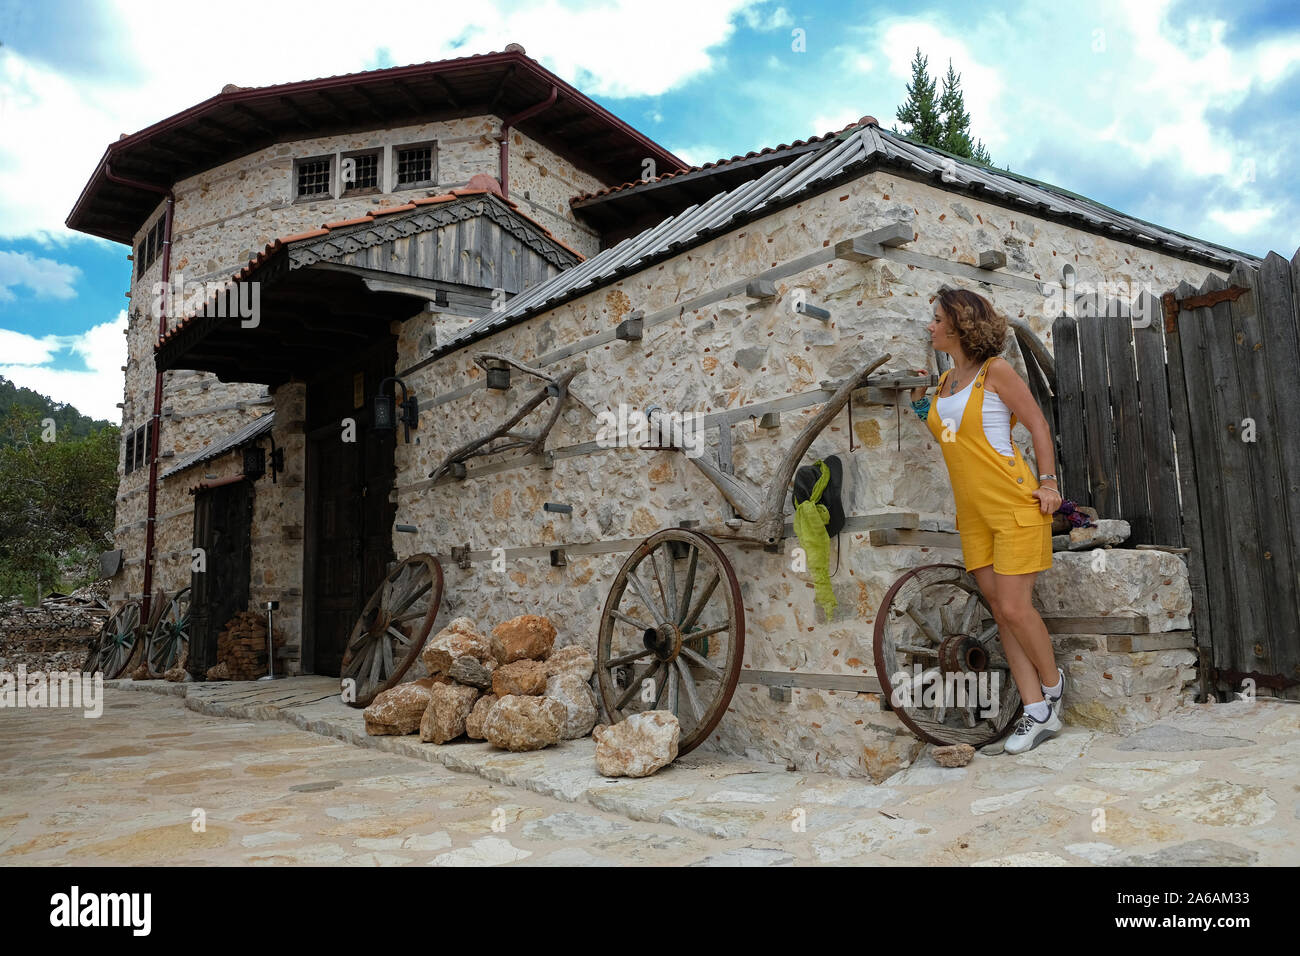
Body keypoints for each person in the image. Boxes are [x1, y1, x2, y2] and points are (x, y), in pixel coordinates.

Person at [908, 288, 1065, 754]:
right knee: (1000, 613)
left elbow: (1037, 423)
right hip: (973, 516)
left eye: (936, 319)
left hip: (1015, 504)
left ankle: (1053, 690)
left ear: (958, 325)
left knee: (1016, 608)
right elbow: (944, 433)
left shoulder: (994, 371)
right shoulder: (945, 385)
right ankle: (1035, 712)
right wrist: (920, 400)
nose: (930, 326)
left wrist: (1050, 482)